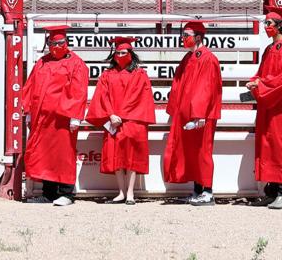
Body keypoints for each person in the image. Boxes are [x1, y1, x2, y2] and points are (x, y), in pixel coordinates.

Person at [23, 24, 89, 206]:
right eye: (52, 43)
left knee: (63, 155)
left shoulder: (76, 63)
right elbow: (30, 86)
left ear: (66, 42)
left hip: (62, 119)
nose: (56, 46)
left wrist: (75, 116)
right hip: (42, 119)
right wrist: (28, 110)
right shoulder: (42, 62)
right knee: (45, 155)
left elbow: (78, 91)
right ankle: (48, 193)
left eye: (60, 42)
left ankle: (67, 194)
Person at [86, 37, 155, 204]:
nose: (120, 56)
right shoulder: (107, 75)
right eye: (117, 53)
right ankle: (121, 192)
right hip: (114, 121)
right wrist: (110, 114)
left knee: (131, 158)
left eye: (123, 53)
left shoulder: (140, 74)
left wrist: (120, 115)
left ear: (130, 53)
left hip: (132, 121)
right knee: (116, 156)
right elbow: (102, 96)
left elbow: (139, 97)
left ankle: (130, 193)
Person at [163, 20, 222, 206]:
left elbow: (206, 89)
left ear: (198, 37)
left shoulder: (208, 58)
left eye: (186, 36)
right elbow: (178, 85)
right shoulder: (188, 58)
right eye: (182, 35)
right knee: (192, 154)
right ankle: (197, 191)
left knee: (203, 152)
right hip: (188, 115)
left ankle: (208, 192)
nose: (183, 39)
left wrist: (200, 115)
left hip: (202, 115)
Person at [247, 7, 282, 210]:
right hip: (267, 107)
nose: (265, 27)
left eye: (269, 23)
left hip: (280, 108)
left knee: (280, 149)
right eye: (265, 23)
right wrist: (254, 81)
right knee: (267, 149)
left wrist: (262, 85)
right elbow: (261, 74)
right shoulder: (269, 50)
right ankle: (271, 191)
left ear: (279, 26)